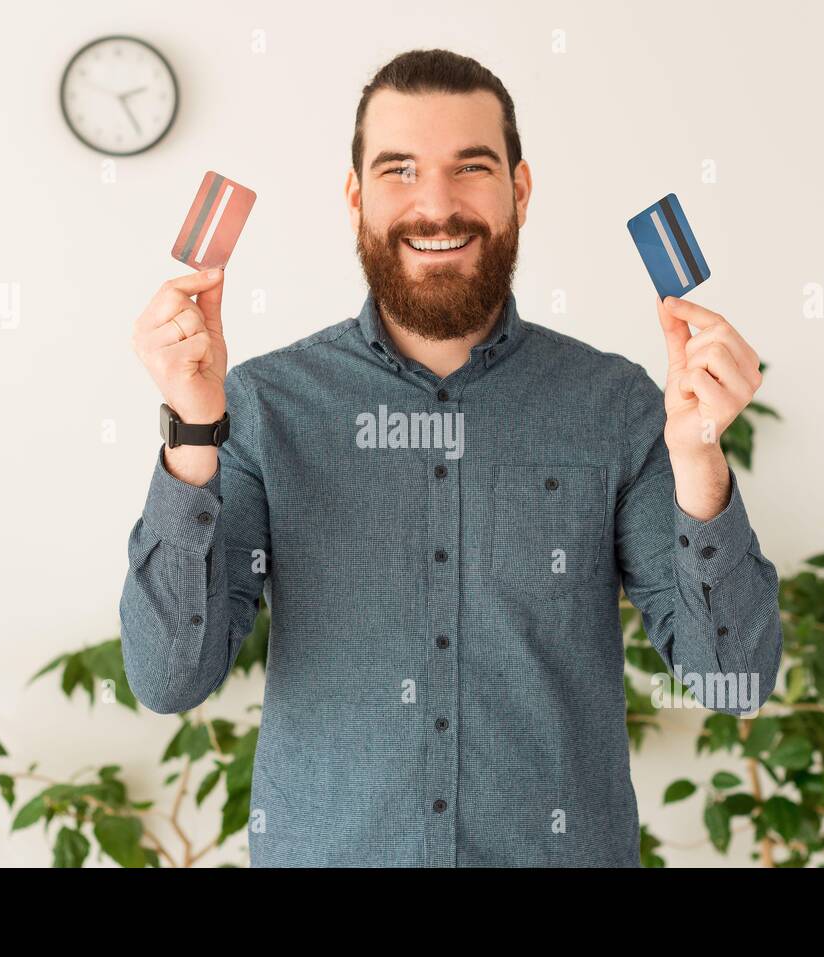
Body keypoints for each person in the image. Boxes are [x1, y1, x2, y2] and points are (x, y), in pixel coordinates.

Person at [121, 48, 782, 867]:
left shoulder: (618, 405)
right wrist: (191, 431)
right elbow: (166, 678)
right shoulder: (259, 406)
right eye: (399, 170)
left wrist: (701, 459)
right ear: (356, 197)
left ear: (521, 191)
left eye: (471, 167)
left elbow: (736, 681)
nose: (436, 206)